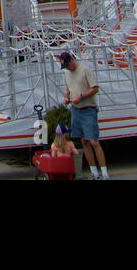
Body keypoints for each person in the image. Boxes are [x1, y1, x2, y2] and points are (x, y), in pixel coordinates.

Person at [59, 51, 108, 179]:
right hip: (76, 109)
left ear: (72, 60)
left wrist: (81, 97)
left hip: (88, 108)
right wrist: (66, 98)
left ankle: (105, 173)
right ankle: (94, 172)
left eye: (68, 65)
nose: (68, 68)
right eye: (65, 67)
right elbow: (67, 91)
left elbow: (95, 88)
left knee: (94, 141)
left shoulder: (85, 70)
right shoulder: (67, 74)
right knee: (84, 141)